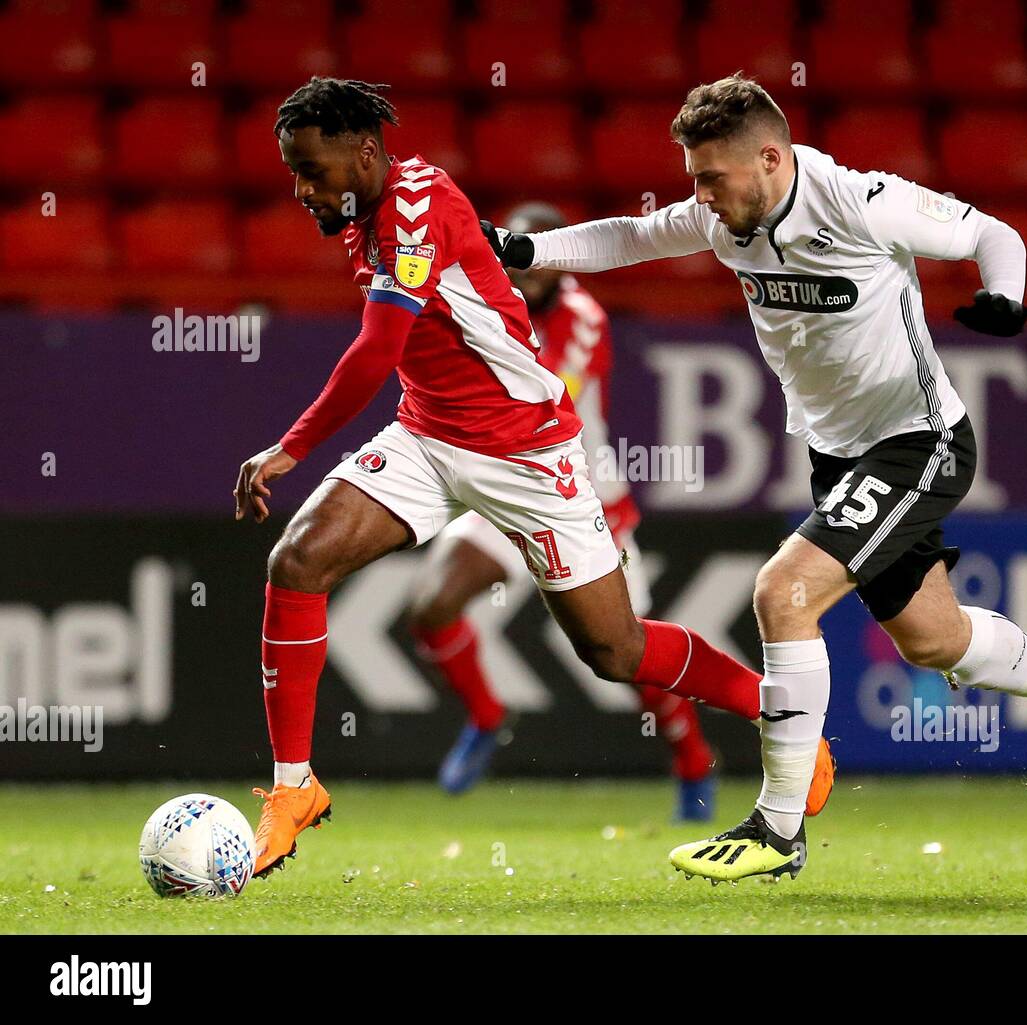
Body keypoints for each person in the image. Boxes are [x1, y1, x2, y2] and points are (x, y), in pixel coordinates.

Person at [481, 74, 1027, 884]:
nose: (700, 197)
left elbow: (993, 234)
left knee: (782, 592)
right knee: (933, 637)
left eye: (710, 179)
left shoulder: (859, 199)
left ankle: (779, 823)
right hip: (838, 454)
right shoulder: (723, 214)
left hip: (919, 437)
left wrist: (1005, 295)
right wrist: (527, 249)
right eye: (694, 178)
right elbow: (629, 236)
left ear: (771, 157)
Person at [233, 78, 834, 878]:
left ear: (365, 153)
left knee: (616, 652)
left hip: (529, 453)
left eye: (311, 170)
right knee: (298, 560)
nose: (301, 189)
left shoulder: (413, 208)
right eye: (293, 172)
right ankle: (293, 786)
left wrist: (289, 445)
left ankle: (778, 710)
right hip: (429, 434)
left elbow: (378, 348)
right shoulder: (364, 211)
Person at [406, 201, 717, 821]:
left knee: (628, 659)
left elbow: (544, 392)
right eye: (518, 257)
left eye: (538, 259)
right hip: (502, 486)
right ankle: (488, 718)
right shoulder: (485, 289)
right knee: (432, 608)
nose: (525, 274)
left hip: (580, 497)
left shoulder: (582, 317)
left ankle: (691, 760)